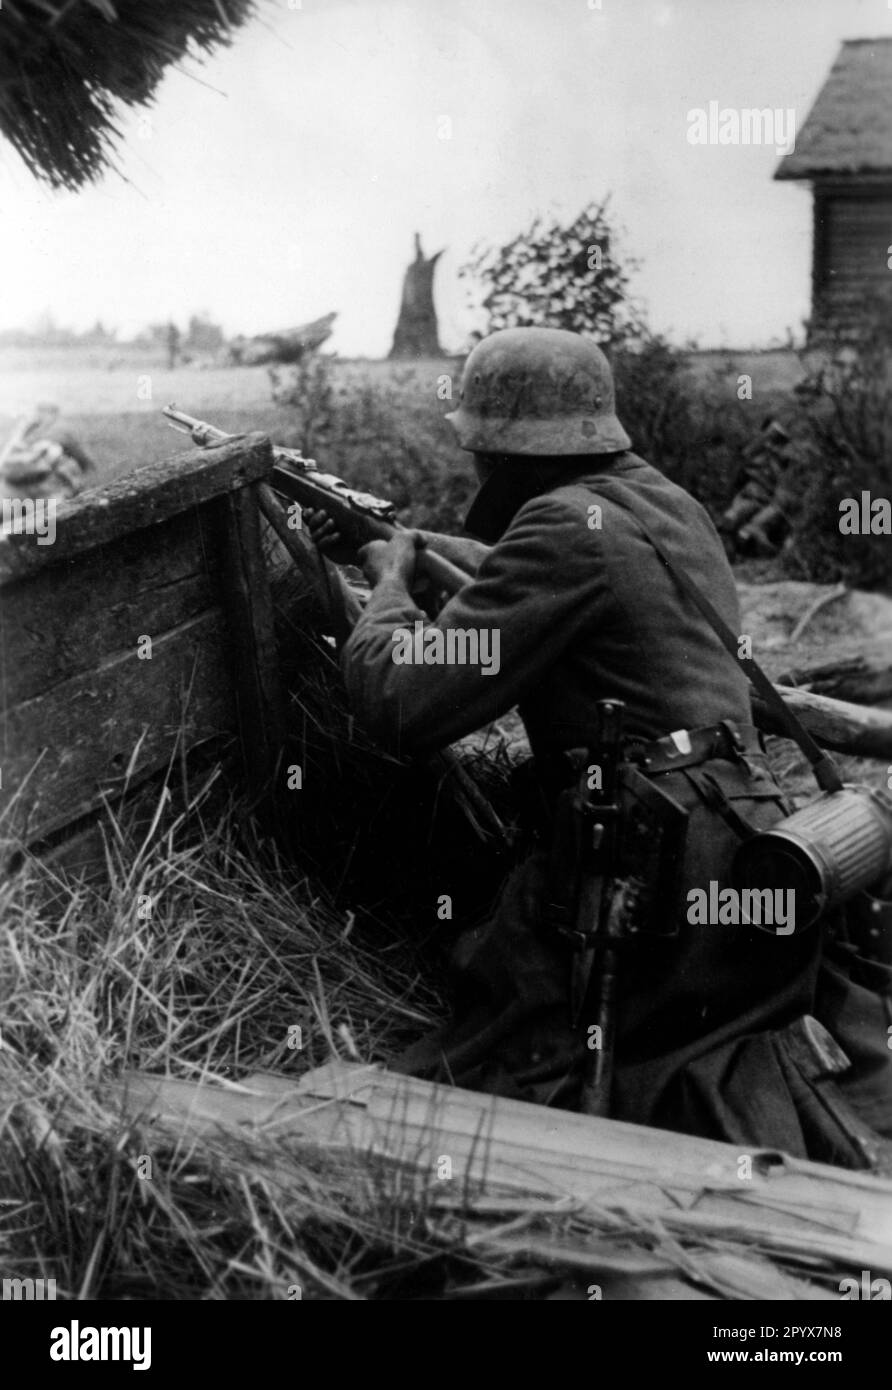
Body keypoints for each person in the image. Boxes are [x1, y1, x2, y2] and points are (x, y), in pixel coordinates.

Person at [309, 327, 892, 1167]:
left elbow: (405, 706)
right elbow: (547, 580)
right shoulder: (664, 502)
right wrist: (427, 549)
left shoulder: (560, 530)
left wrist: (389, 585)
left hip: (650, 874)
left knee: (504, 1065)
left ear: (503, 452)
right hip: (740, 841)